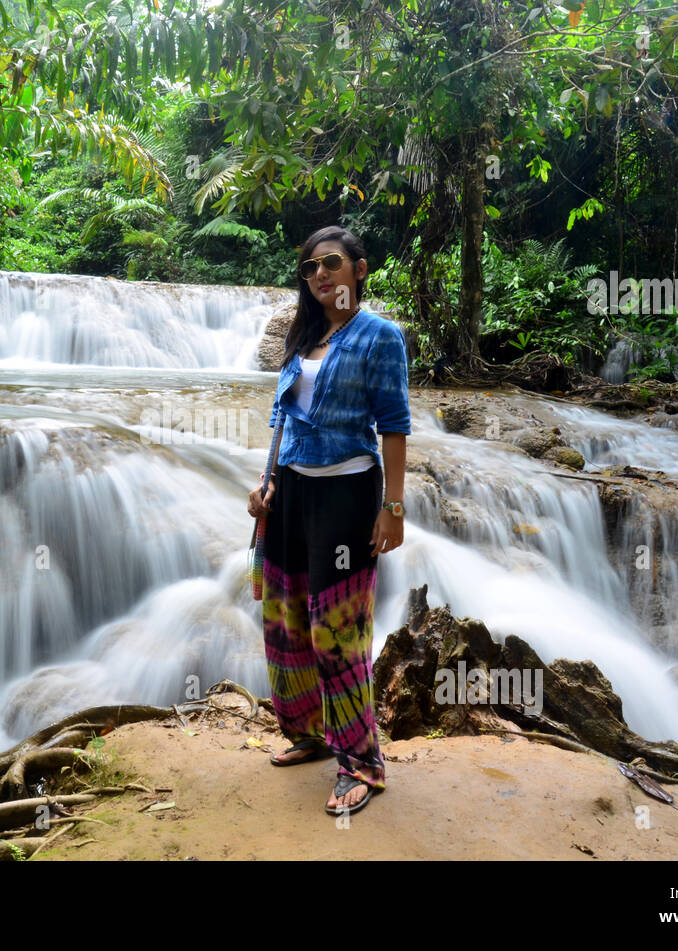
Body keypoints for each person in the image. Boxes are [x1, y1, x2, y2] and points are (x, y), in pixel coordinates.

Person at [247, 225, 411, 816]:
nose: (320, 274)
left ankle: (361, 760)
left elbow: (394, 426)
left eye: (332, 263)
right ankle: (310, 735)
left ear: (359, 270)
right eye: (311, 266)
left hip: (346, 497)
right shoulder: (305, 336)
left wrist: (392, 507)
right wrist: (266, 481)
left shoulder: (381, 337)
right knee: (286, 621)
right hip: (290, 494)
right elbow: (283, 421)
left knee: (335, 632)